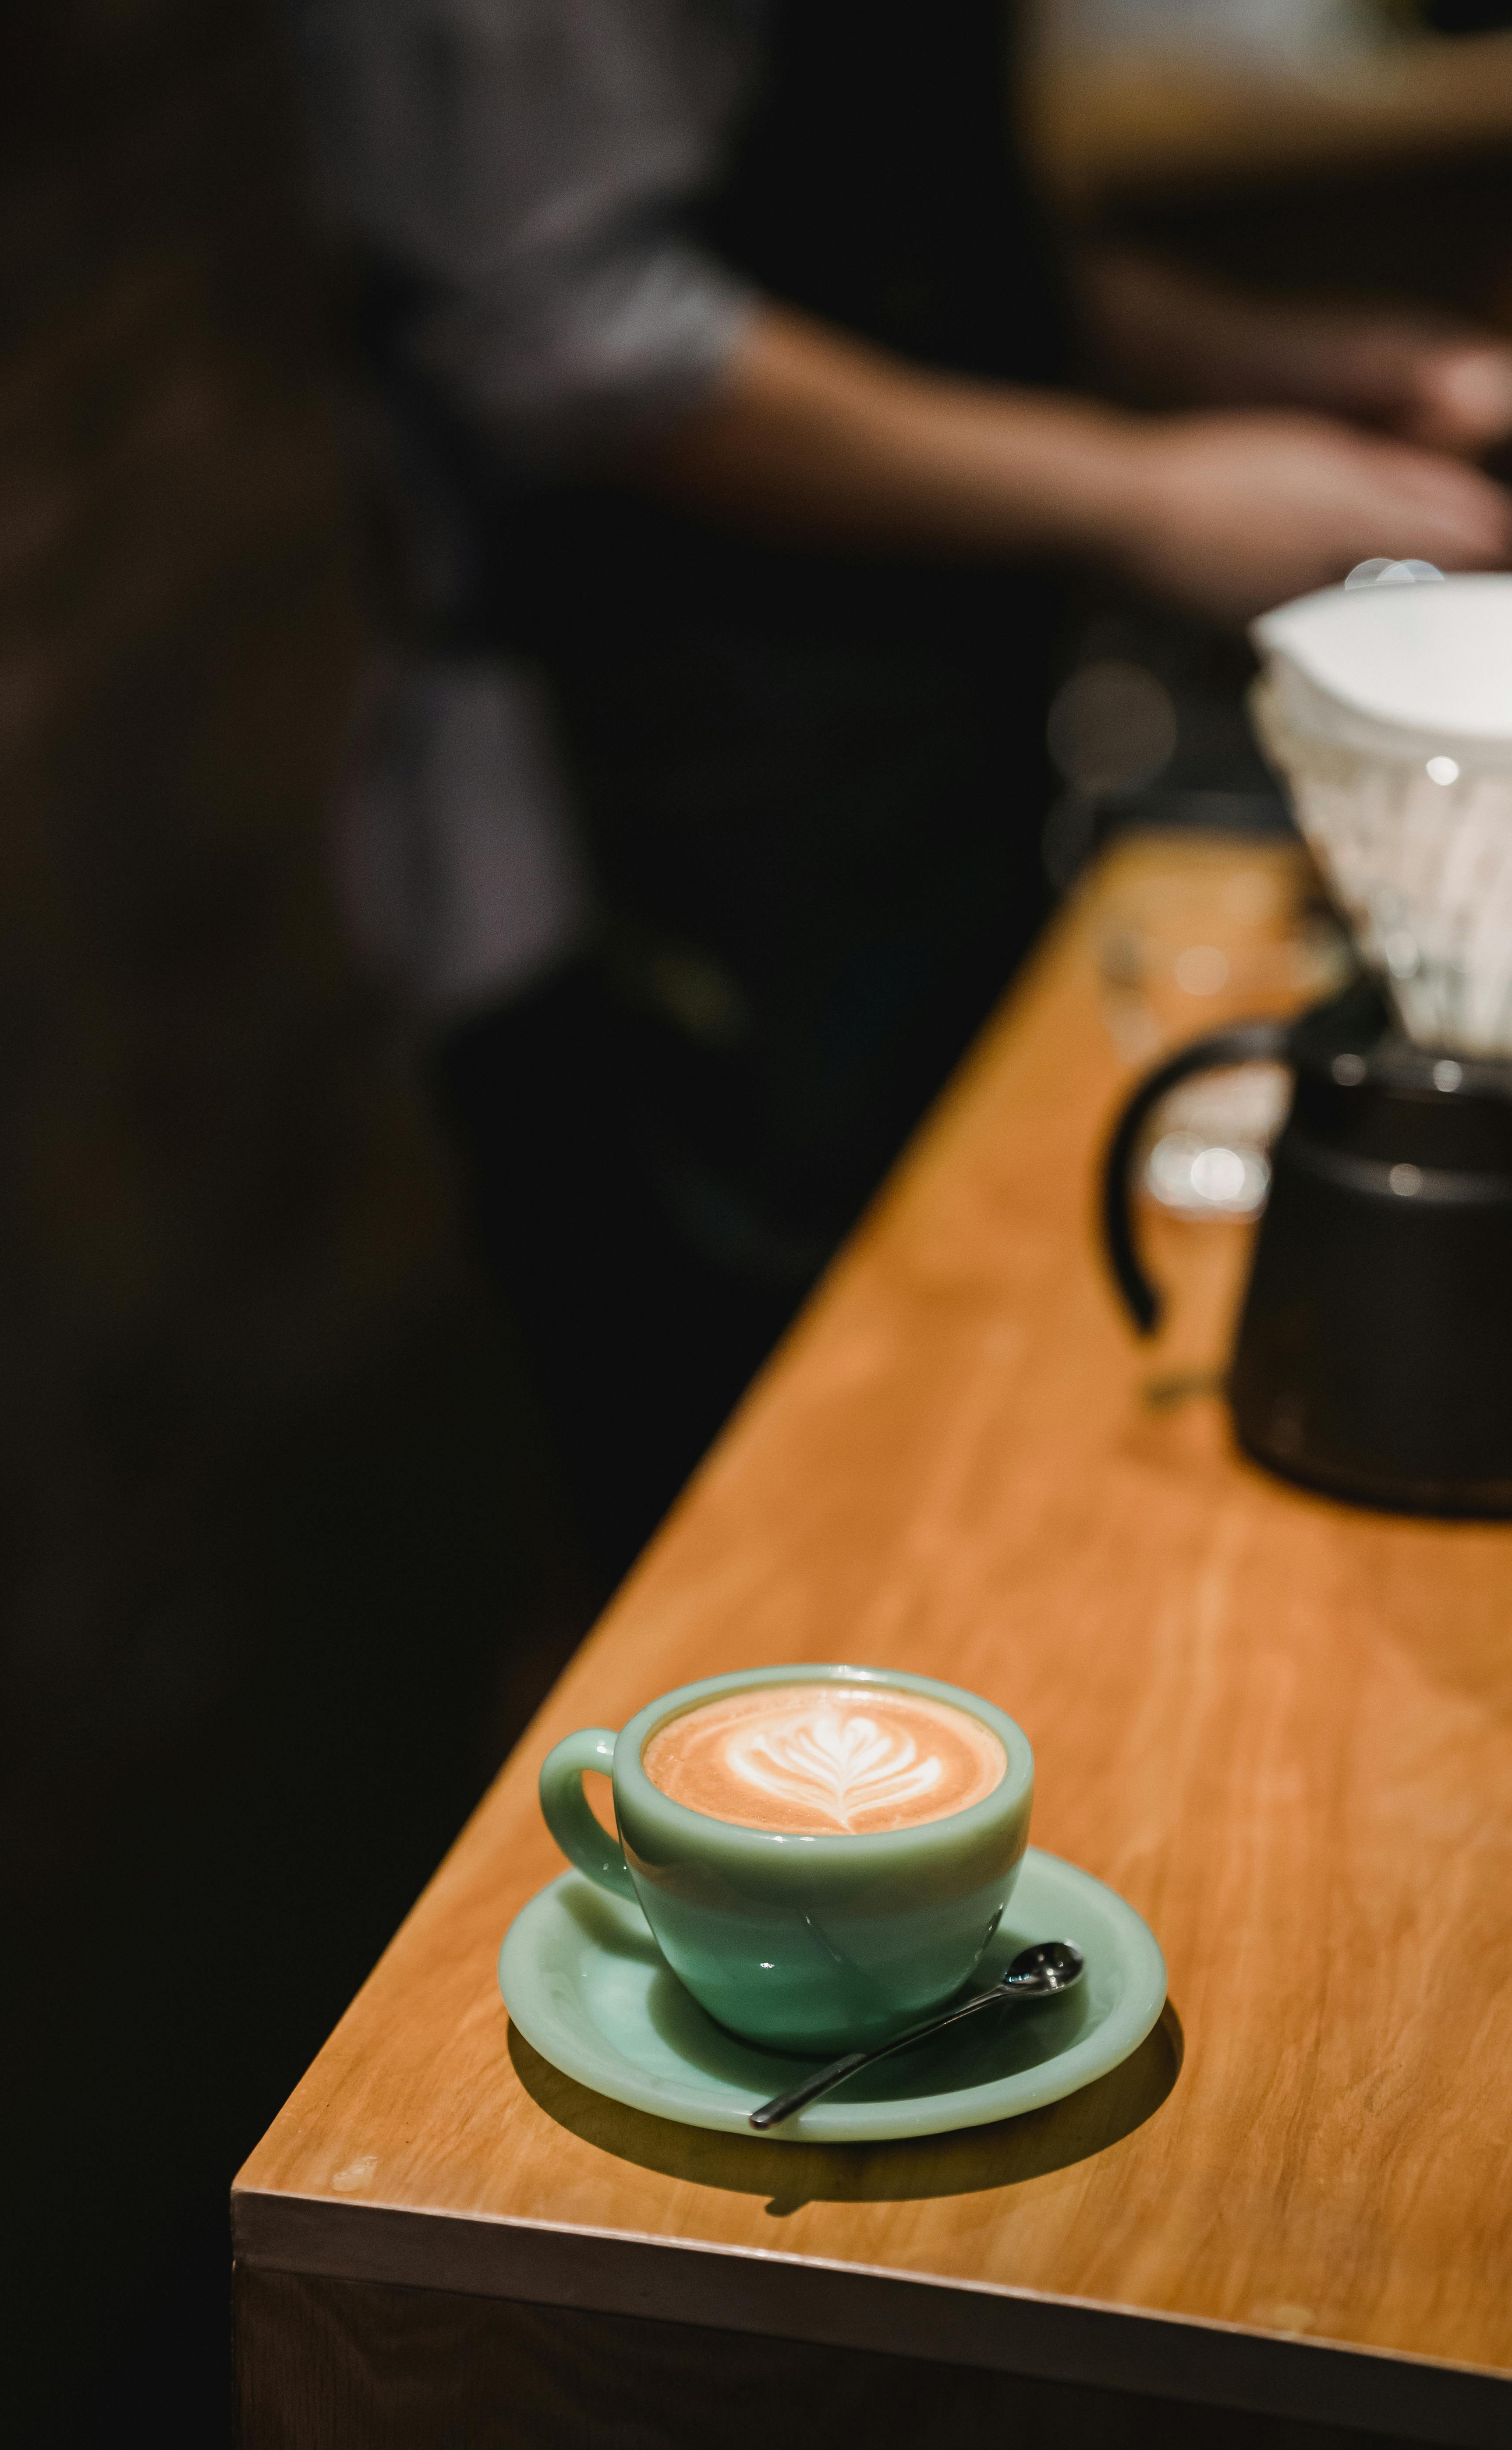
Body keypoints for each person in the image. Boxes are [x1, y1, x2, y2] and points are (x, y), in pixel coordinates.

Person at [288, 0, 1512, 1583]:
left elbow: (929, 255)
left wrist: (1289, 370)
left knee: (952, 1403)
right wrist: (1142, 493)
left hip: (909, 761)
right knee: (722, 1496)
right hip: (650, 814)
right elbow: (582, 343)